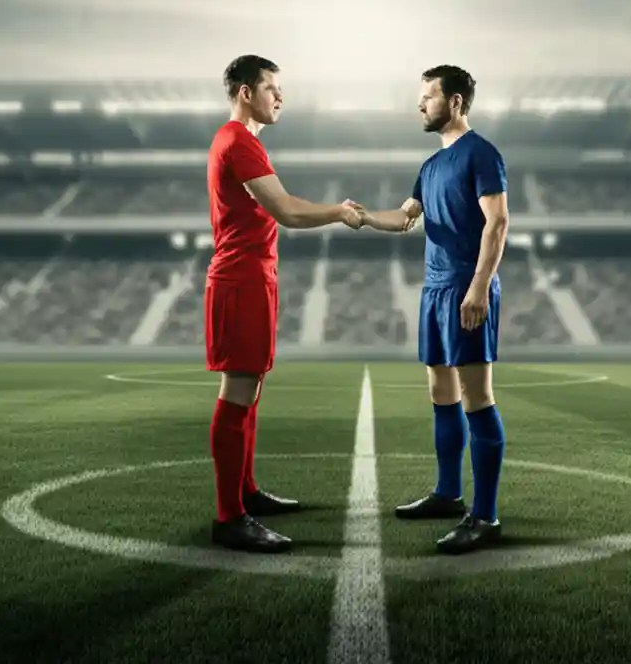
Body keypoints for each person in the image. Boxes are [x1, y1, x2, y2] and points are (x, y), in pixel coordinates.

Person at [206, 54, 364, 553]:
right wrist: (340, 212)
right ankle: (230, 518)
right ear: (245, 92)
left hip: (255, 279)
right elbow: (287, 210)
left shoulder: (240, 142)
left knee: (250, 388)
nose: (281, 96)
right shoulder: (238, 142)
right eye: (272, 87)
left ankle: (246, 493)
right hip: (240, 280)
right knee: (238, 390)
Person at [355, 64, 509, 555]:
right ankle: (448, 494)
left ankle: (484, 516)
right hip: (435, 288)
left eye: (429, 96)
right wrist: (361, 218)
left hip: (466, 285)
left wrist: (479, 288)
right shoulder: (429, 166)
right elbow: (404, 218)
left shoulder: (481, 153)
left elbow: (498, 223)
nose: (420, 104)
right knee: (441, 392)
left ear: (457, 102)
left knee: (477, 397)